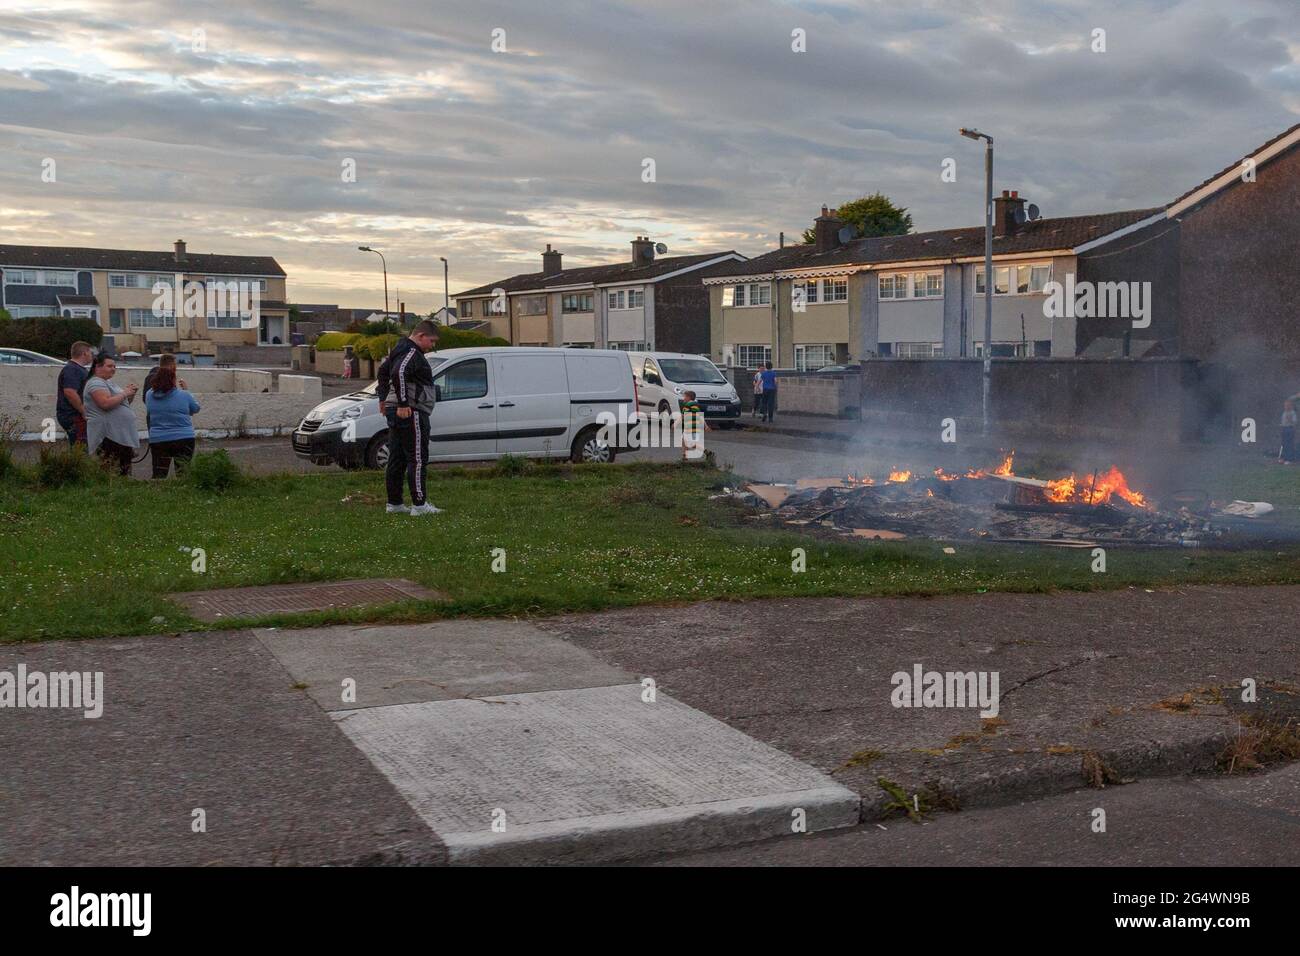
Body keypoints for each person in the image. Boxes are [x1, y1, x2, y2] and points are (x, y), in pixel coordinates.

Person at [376, 320, 441, 515]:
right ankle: (420, 505)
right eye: (431, 341)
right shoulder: (412, 352)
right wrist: (404, 403)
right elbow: (399, 372)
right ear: (421, 336)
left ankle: (394, 504)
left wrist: (382, 398)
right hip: (410, 411)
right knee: (417, 458)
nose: (433, 346)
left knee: (397, 457)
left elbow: (382, 371)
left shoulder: (399, 349)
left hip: (397, 410)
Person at [83, 354, 139, 475]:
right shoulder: (95, 383)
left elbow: (122, 404)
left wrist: (130, 394)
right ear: (97, 367)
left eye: (114, 366)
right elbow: (105, 404)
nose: (113, 369)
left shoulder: (108, 382)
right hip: (108, 436)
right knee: (112, 470)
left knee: (124, 471)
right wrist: (124, 393)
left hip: (119, 436)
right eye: (109, 366)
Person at [144, 364, 200, 478]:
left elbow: (150, 410)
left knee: (159, 473)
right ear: (173, 380)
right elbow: (196, 408)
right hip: (183, 437)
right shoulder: (184, 395)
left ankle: (158, 494)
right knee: (183, 472)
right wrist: (186, 389)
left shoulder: (149, 395)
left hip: (158, 438)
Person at [55, 341, 94, 447]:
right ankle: (79, 463)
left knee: (82, 445)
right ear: (85, 353)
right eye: (90, 353)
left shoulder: (77, 369)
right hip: (73, 416)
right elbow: (70, 392)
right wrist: (83, 411)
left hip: (75, 415)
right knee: (80, 447)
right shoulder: (72, 369)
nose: (92, 356)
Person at [142, 354, 187, 430]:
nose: (176, 367)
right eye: (175, 364)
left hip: (156, 419)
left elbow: (145, 398)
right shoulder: (155, 378)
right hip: (159, 419)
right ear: (171, 365)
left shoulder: (155, 377)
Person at [679, 390, 709, 461]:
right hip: (696, 427)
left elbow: (683, 416)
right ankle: (685, 457)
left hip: (690, 427)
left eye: (684, 397)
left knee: (688, 442)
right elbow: (700, 416)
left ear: (688, 397)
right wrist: (705, 425)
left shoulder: (687, 405)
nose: (683, 398)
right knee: (686, 441)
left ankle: (706, 452)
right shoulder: (696, 405)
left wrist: (675, 423)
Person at [1280, 399, 1297, 464]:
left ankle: (1290, 459)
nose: (1286, 407)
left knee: (1289, 444)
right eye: (1285, 405)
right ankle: (1284, 458)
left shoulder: (1292, 413)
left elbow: (1294, 422)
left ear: (1290, 406)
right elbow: (1283, 421)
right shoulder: (1284, 412)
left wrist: (1289, 419)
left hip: (1289, 429)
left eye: (1287, 405)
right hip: (1284, 429)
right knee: (1284, 444)